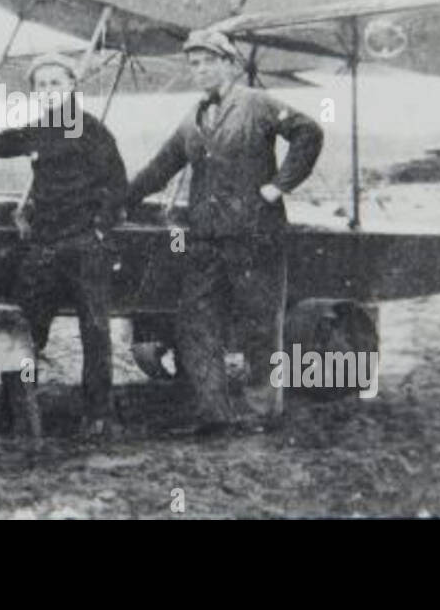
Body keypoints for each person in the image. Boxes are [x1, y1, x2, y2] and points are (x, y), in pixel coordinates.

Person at [126, 30, 323, 435]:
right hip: (206, 238)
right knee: (196, 323)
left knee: (258, 323)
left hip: (254, 235)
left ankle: (260, 412)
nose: (200, 71)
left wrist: (278, 186)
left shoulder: (256, 104)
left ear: (229, 64)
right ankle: (213, 412)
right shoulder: (193, 119)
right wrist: (117, 200)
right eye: (194, 64)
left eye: (208, 62)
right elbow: (160, 168)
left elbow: (308, 133)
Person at [0, 53, 127, 438]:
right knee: (25, 327)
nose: (49, 91)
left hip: (84, 245)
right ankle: (14, 408)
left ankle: (98, 415)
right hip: (43, 244)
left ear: (72, 87)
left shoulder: (92, 131)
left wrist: (99, 232)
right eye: (41, 86)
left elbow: (117, 186)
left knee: (94, 330)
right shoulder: (37, 130)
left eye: (56, 83)